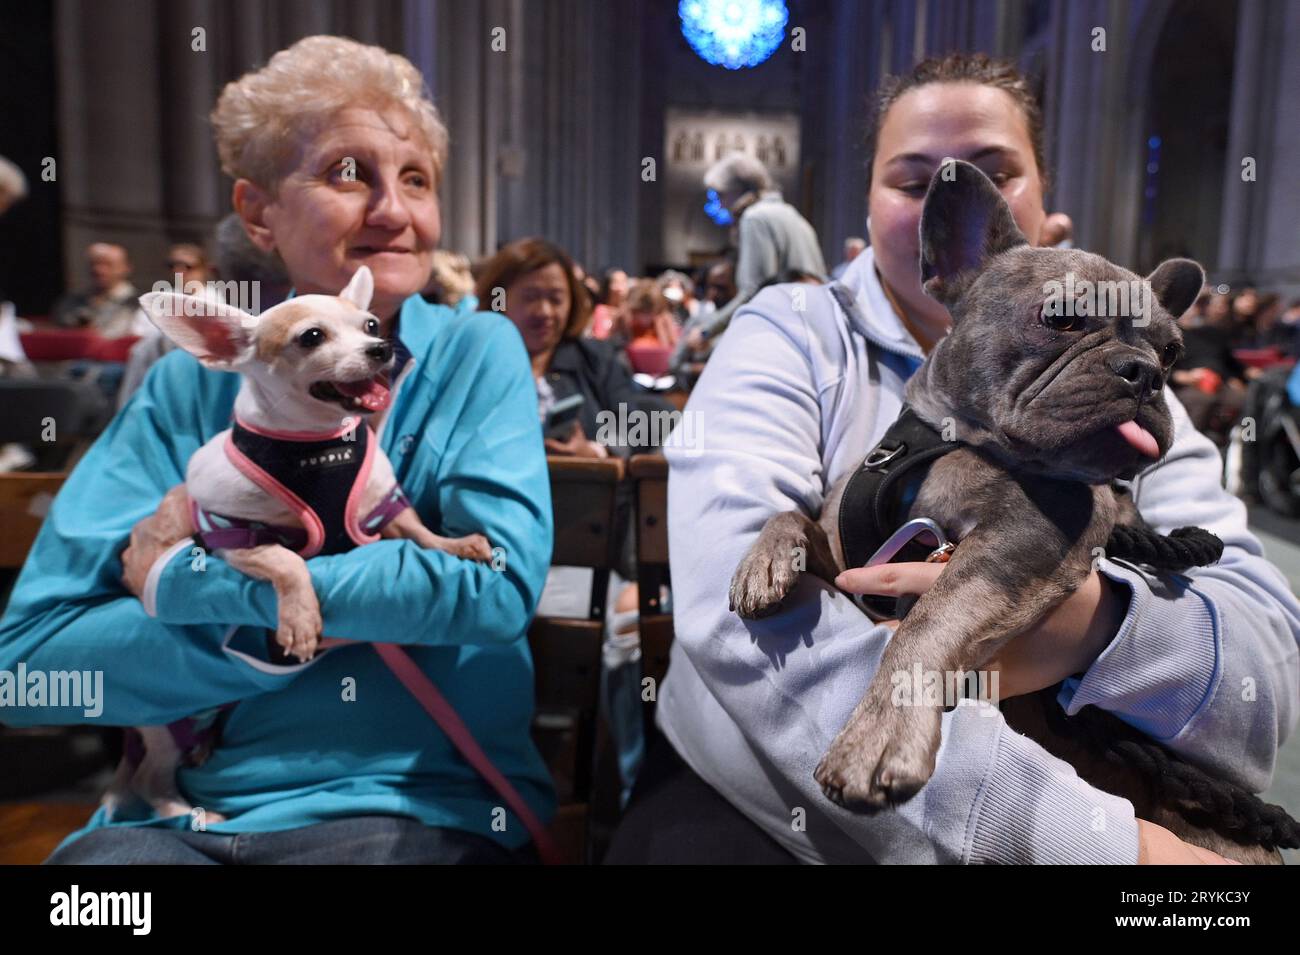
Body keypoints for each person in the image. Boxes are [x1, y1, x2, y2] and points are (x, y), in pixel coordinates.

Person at [606, 52, 1300, 865]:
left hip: (1093, 770)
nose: (948, 192)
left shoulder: (1128, 394)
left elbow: (1263, 683)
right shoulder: (794, 329)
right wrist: (1096, 846)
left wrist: (1096, 632)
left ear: (1043, 203)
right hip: (770, 803)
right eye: (912, 179)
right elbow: (744, 625)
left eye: (995, 172)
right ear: (864, 205)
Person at [1, 35, 555, 865]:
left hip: (412, 807)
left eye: (416, 180)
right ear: (257, 211)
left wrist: (182, 581)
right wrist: (279, 623)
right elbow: (28, 667)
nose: (394, 213)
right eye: (346, 173)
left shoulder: (477, 352)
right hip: (177, 819)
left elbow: (494, 586)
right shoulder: (182, 388)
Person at [671, 154, 827, 369]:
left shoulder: (755, 218)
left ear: (737, 191)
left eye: (721, 194)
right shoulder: (792, 215)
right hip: (808, 330)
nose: (720, 203)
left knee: (697, 334)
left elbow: (753, 292)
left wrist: (706, 331)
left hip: (781, 334)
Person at [52, 243, 142, 337]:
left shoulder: (139, 305)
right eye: (93, 264)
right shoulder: (69, 302)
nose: (99, 270)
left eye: (108, 264)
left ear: (126, 268)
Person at [589, 267, 630, 341]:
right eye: (616, 282)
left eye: (623, 282)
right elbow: (599, 336)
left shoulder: (630, 312)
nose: (620, 287)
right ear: (607, 286)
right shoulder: (600, 311)